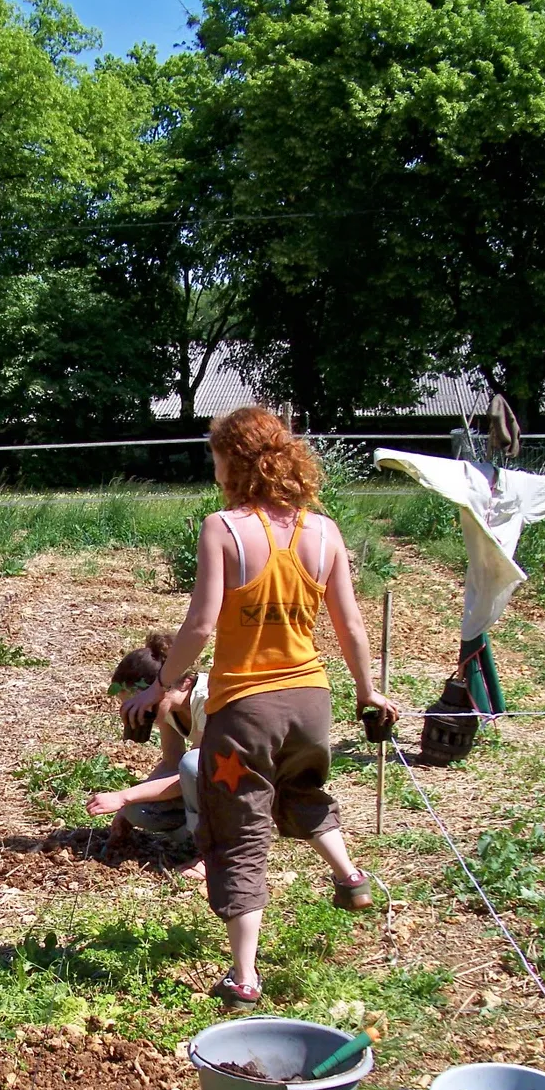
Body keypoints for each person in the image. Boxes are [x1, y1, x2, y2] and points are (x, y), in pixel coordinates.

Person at [124, 407, 397, 1007]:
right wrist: (368, 691)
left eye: (217, 456)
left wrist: (161, 685)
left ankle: (245, 976)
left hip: (247, 710)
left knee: (239, 831)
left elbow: (199, 625)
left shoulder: (223, 528)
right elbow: (349, 624)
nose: (215, 468)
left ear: (236, 459)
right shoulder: (323, 532)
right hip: (311, 703)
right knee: (301, 793)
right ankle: (350, 875)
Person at [85, 632, 208, 880]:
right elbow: (172, 763)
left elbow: (205, 770)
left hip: (251, 783)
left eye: (144, 706)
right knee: (137, 810)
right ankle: (195, 835)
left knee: (194, 764)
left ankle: (217, 854)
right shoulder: (169, 708)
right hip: (211, 781)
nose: (143, 714)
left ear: (181, 683)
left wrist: (124, 796)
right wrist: (126, 806)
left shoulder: (208, 700)